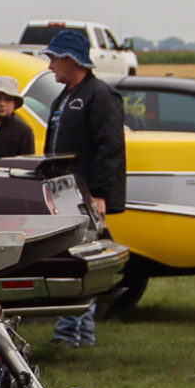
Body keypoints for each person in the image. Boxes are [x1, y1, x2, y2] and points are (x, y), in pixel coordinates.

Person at [41, 28, 125, 348]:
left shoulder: (99, 96)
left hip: (87, 195)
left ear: (72, 60)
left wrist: (100, 193)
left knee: (78, 260)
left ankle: (70, 334)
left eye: (54, 59)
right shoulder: (66, 97)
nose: (50, 67)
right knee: (74, 259)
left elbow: (110, 148)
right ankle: (79, 336)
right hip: (64, 192)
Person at [0, 76, 35, 156]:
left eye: (7, 100)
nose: (2, 104)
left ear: (14, 103)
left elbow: (26, 163)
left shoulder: (23, 131)